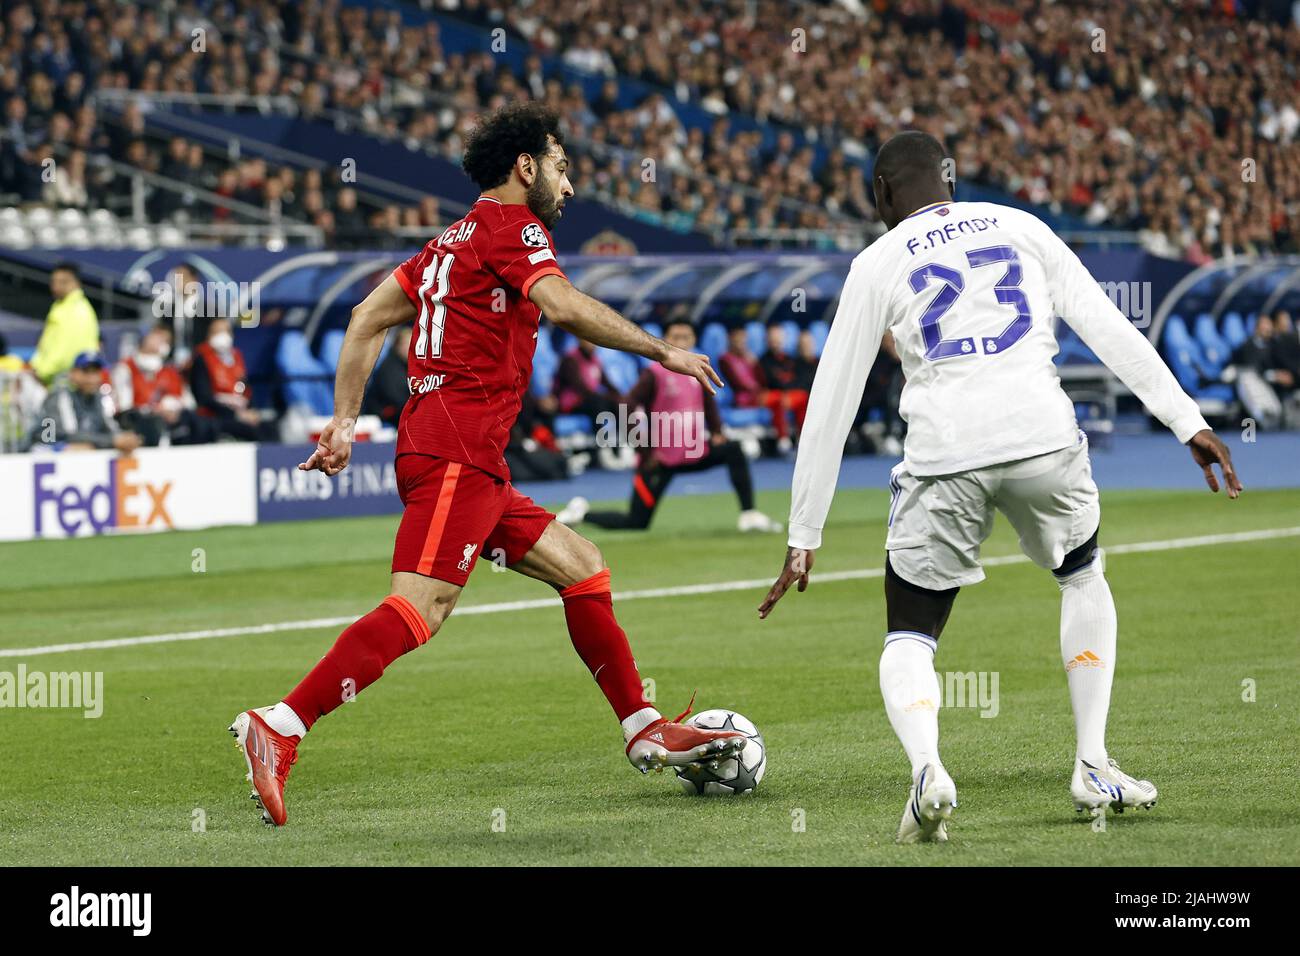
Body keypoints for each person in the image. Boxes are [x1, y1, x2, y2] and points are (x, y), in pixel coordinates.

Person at [228, 102, 746, 827]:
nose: (569, 188)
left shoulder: (443, 244)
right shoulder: (512, 228)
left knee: (583, 563)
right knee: (421, 607)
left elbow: (364, 319)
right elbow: (560, 306)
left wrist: (344, 426)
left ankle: (641, 726)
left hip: (463, 452)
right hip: (455, 450)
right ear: (526, 166)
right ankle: (280, 724)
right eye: (562, 170)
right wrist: (662, 349)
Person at [758, 131, 1241, 844]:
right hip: (1043, 438)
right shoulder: (1023, 226)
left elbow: (832, 401)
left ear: (884, 192)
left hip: (946, 452)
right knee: (1082, 577)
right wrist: (1185, 420)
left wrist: (804, 534)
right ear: (947, 178)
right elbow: (1108, 325)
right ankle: (1092, 761)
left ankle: (928, 772)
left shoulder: (876, 261)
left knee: (910, 632)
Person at [556, 318, 782, 533]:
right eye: (676, 336)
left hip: (695, 452)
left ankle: (749, 514)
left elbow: (709, 402)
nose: (682, 342)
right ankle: (581, 514)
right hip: (661, 460)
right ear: (665, 339)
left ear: (694, 340)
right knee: (636, 522)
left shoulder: (698, 370)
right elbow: (626, 407)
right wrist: (644, 449)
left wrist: (716, 432)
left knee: (734, 451)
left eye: (686, 336)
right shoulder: (653, 374)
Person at [112, 325, 213, 445]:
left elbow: (189, 403)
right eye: (157, 337)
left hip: (173, 422)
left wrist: (173, 409)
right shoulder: (126, 368)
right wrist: (153, 411)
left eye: (166, 341)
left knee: (199, 423)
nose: (160, 343)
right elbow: (125, 408)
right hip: (141, 422)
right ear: (146, 338)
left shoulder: (171, 372)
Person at [32, 351, 141, 453]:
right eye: (86, 372)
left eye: (96, 372)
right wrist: (112, 441)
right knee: (73, 449)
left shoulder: (98, 397)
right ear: (73, 374)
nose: (92, 378)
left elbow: (110, 428)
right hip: (44, 448)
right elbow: (68, 435)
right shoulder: (61, 396)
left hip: (81, 451)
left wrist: (124, 438)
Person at [190, 318, 274, 441]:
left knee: (269, 428)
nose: (223, 336)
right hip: (217, 416)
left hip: (240, 412)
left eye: (226, 331)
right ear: (209, 336)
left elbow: (246, 389)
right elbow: (204, 398)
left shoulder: (236, 357)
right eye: (217, 332)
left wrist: (250, 411)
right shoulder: (201, 359)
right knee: (250, 431)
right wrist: (236, 415)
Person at [30, 262, 100, 385]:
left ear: (76, 283)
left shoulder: (77, 310)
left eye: (63, 282)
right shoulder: (62, 306)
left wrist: (42, 372)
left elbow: (65, 350)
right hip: (55, 382)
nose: (56, 287)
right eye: (54, 282)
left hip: (64, 384)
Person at [758, 324, 809, 452]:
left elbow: (796, 380)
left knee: (803, 397)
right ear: (767, 340)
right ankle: (783, 439)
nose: (776, 341)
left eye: (778, 338)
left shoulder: (789, 359)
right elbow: (770, 381)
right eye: (773, 338)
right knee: (780, 399)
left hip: (788, 395)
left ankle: (802, 437)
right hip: (771, 395)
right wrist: (784, 392)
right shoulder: (763, 361)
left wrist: (787, 391)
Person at [360, 325, 413, 427]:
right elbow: (397, 399)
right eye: (407, 344)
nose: (411, 348)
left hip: (398, 416)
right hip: (381, 419)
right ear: (397, 346)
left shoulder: (410, 365)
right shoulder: (390, 368)